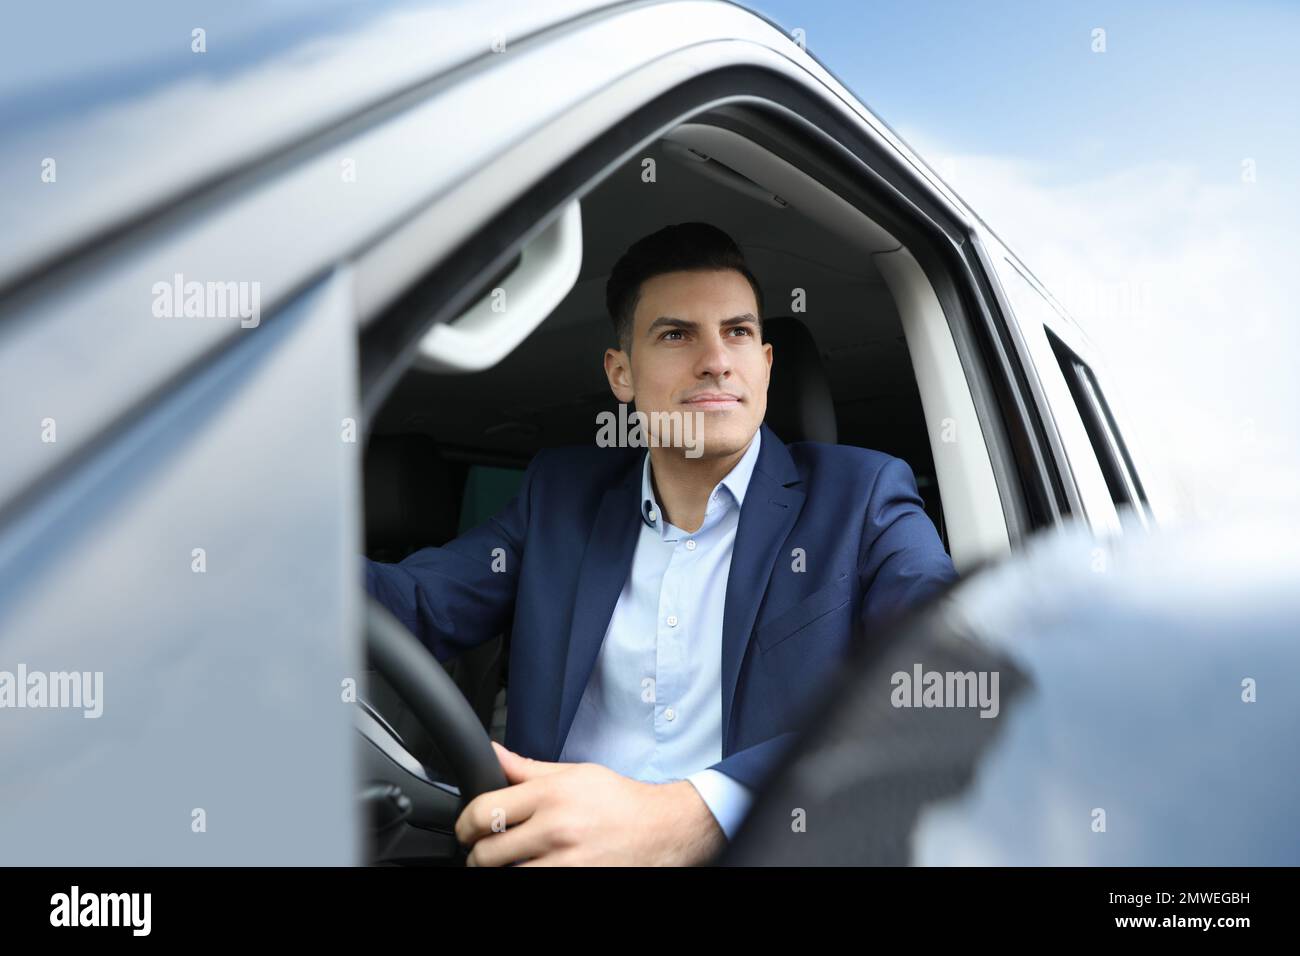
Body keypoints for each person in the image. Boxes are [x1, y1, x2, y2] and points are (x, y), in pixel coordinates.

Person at [365, 221, 957, 865]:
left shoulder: (863, 497)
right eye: (677, 334)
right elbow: (407, 604)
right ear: (621, 374)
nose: (715, 359)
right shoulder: (560, 496)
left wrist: (692, 815)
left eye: (738, 331)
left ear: (764, 364)